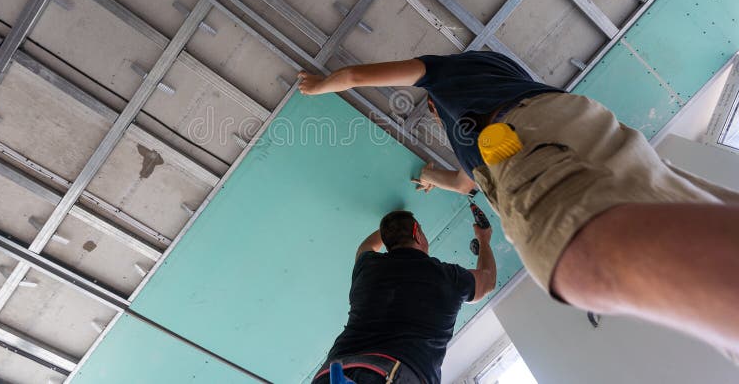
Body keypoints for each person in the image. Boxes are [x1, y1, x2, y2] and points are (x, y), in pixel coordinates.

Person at [298, 51, 739, 357]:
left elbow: (356, 77)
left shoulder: (442, 74)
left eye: (431, 108)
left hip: (546, 141)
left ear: (433, 101)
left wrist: (319, 87)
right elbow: (463, 180)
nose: (434, 113)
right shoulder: (480, 104)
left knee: (577, 253)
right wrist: (431, 179)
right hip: (570, 125)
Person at [313, 210, 496, 384]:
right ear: (417, 234)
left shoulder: (368, 267)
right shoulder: (449, 278)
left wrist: (393, 228)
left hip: (337, 370)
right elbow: (488, 279)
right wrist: (484, 239)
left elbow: (366, 246)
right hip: (380, 373)